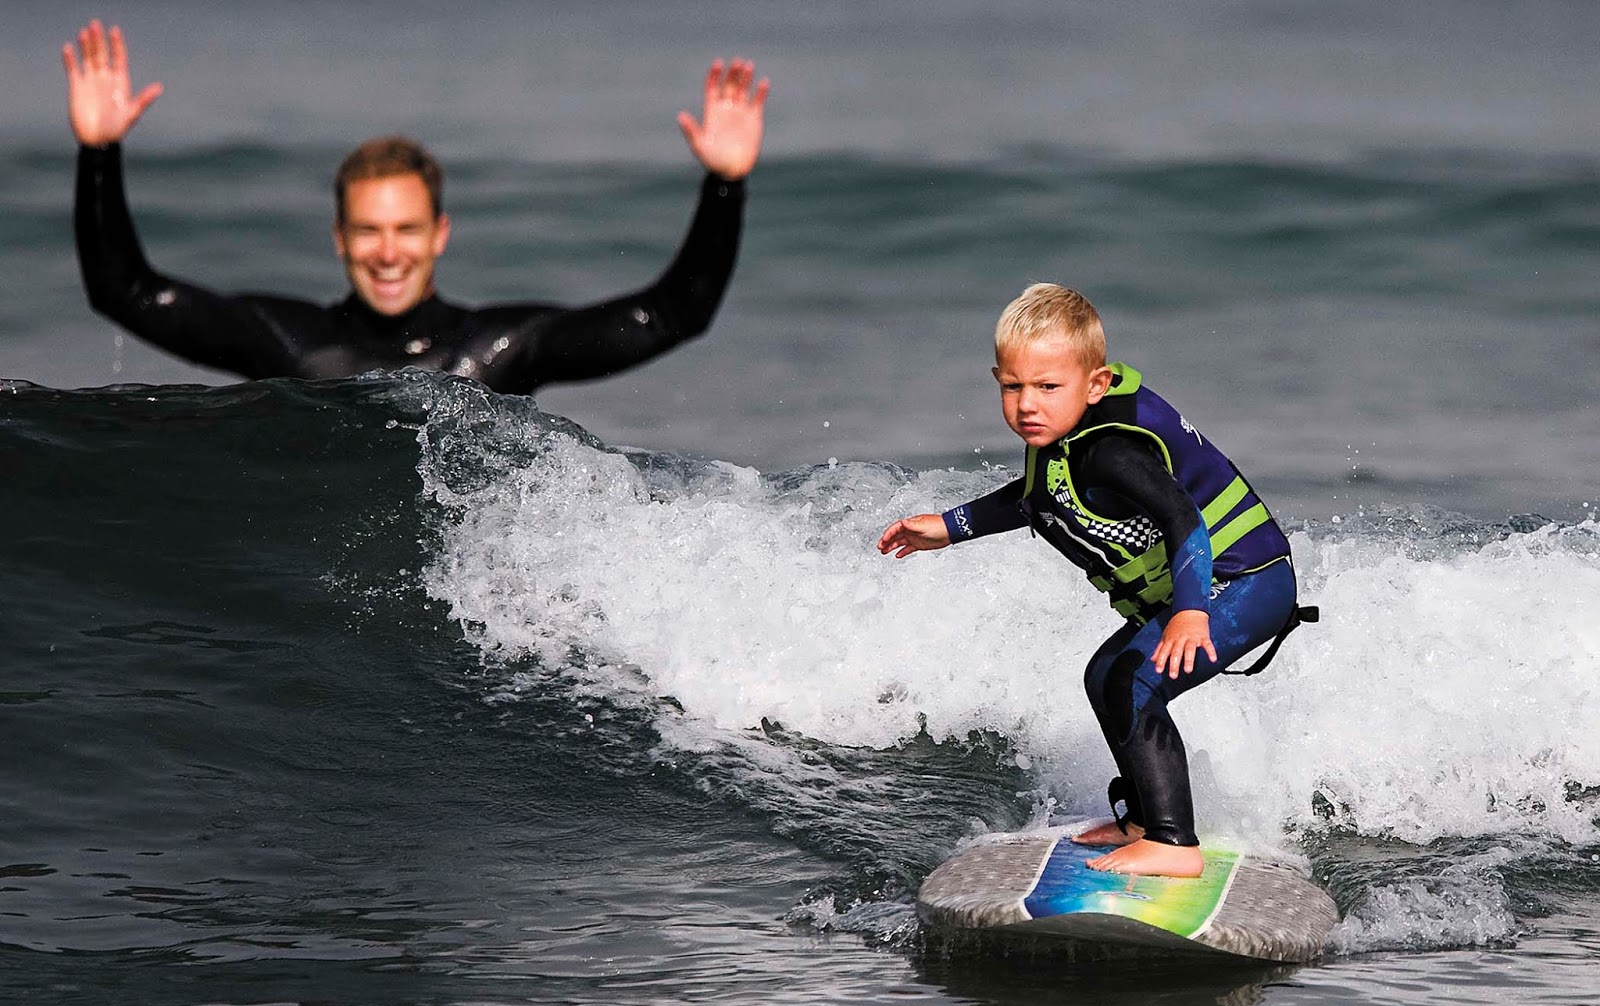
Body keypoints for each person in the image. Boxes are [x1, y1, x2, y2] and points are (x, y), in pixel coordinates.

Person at [61, 19, 769, 393]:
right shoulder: (290, 341)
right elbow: (126, 294)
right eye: (369, 230)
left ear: (441, 235)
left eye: (406, 229)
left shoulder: (498, 349)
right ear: (339, 239)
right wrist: (99, 153)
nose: (389, 250)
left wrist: (724, 185)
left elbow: (675, 313)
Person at [877, 284, 1312, 878]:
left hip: (1243, 582)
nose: (1027, 404)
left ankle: (1172, 843)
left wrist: (1190, 612)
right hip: (1213, 586)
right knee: (1105, 674)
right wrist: (949, 527)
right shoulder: (1064, 437)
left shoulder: (1111, 451)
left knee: (1134, 680)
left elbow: (1183, 517)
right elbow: (1037, 497)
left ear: (1096, 385)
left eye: (1047, 387)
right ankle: (1144, 818)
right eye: (1012, 387)